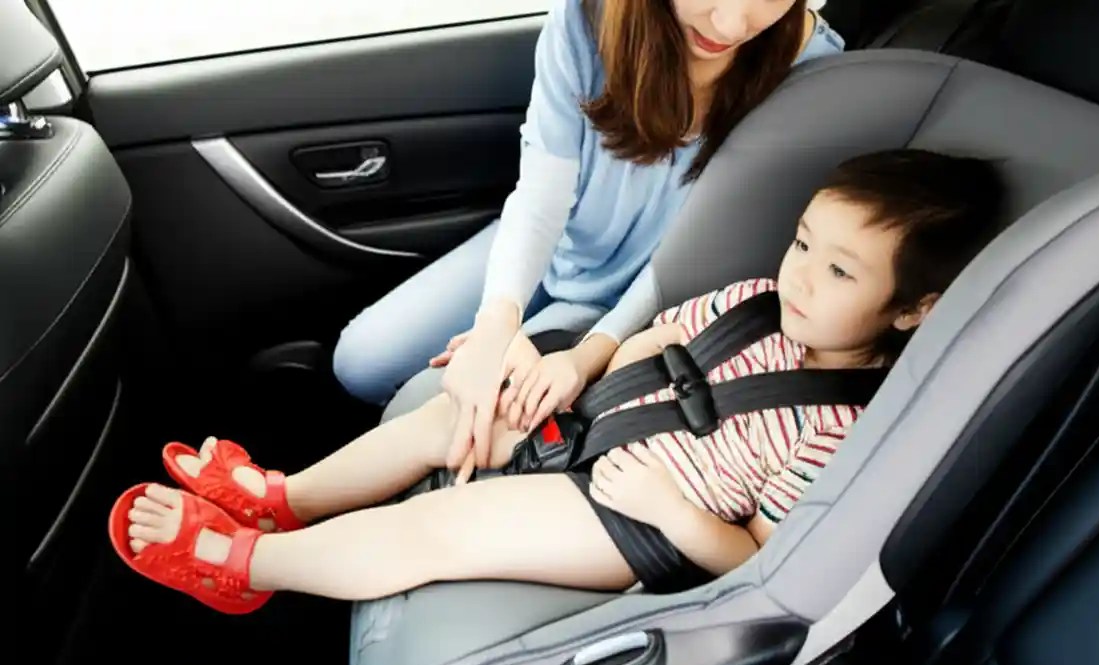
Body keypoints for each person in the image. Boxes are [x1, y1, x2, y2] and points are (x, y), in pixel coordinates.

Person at [109, 150, 1005, 614]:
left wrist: (671, 511)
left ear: (912, 310)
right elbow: (656, 333)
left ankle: (248, 565)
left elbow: (762, 554)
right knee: (449, 415)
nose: (803, 276)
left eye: (842, 274)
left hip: (633, 517)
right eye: (804, 242)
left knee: (440, 528)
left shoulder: (836, 426)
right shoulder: (761, 299)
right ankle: (286, 496)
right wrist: (558, 373)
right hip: (596, 425)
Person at [332, 0, 846, 472]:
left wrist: (587, 357)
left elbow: (696, 255)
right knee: (361, 362)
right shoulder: (588, 20)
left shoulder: (811, 75)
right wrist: (496, 326)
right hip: (558, 244)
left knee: (422, 417)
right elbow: (541, 196)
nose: (733, 25)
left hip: (633, 299)